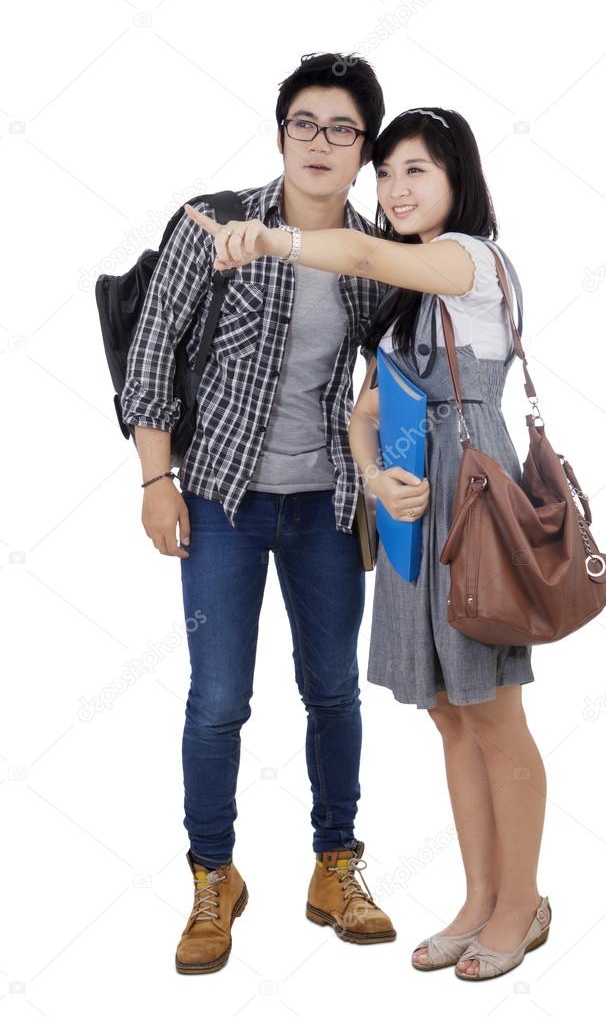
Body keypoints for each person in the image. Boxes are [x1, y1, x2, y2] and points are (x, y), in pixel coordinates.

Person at [185, 104, 551, 982]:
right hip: (412, 511)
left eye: (414, 171)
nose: (393, 189)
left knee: (495, 715)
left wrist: (270, 241)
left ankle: (522, 903)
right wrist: (376, 475)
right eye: (385, 174)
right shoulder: (403, 298)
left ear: (457, 179)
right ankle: (477, 898)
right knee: (448, 714)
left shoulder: (470, 261)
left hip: (474, 499)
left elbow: (354, 250)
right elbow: (364, 415)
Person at [120, 53, 398, 976]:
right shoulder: (218, 223)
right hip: (220, 497)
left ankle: (335, 865)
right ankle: (212, 875)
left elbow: (384, 378)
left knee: (333, 691)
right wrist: (156, 483)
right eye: (305, 123)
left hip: (326, 503)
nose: (321, 142)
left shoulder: (370, 254)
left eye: (343, 129)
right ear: (281, 132)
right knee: (218, 698)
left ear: (363, 152)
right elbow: (152, 356)